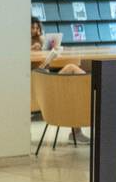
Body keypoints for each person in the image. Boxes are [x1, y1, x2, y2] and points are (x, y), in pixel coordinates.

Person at [32, 16, 89, 144]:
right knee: (71, 69)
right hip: (38, 84)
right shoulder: (26, 44)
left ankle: (76, 131)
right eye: (32, 28)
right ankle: (89, 88)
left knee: (72, 85)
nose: (35, 30)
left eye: (37, 28)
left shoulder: (41, 41)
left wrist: (44, 47)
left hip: (45, 79)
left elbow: (44, 66)